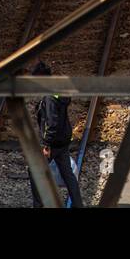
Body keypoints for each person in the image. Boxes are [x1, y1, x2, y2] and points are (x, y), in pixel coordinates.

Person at [34, 62, 83, 207]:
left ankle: (38, 204)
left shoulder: (49, 97)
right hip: (63, 139)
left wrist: (46, 144)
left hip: (53, 143)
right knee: (68, 174)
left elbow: (52, 122)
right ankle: (78, 204)